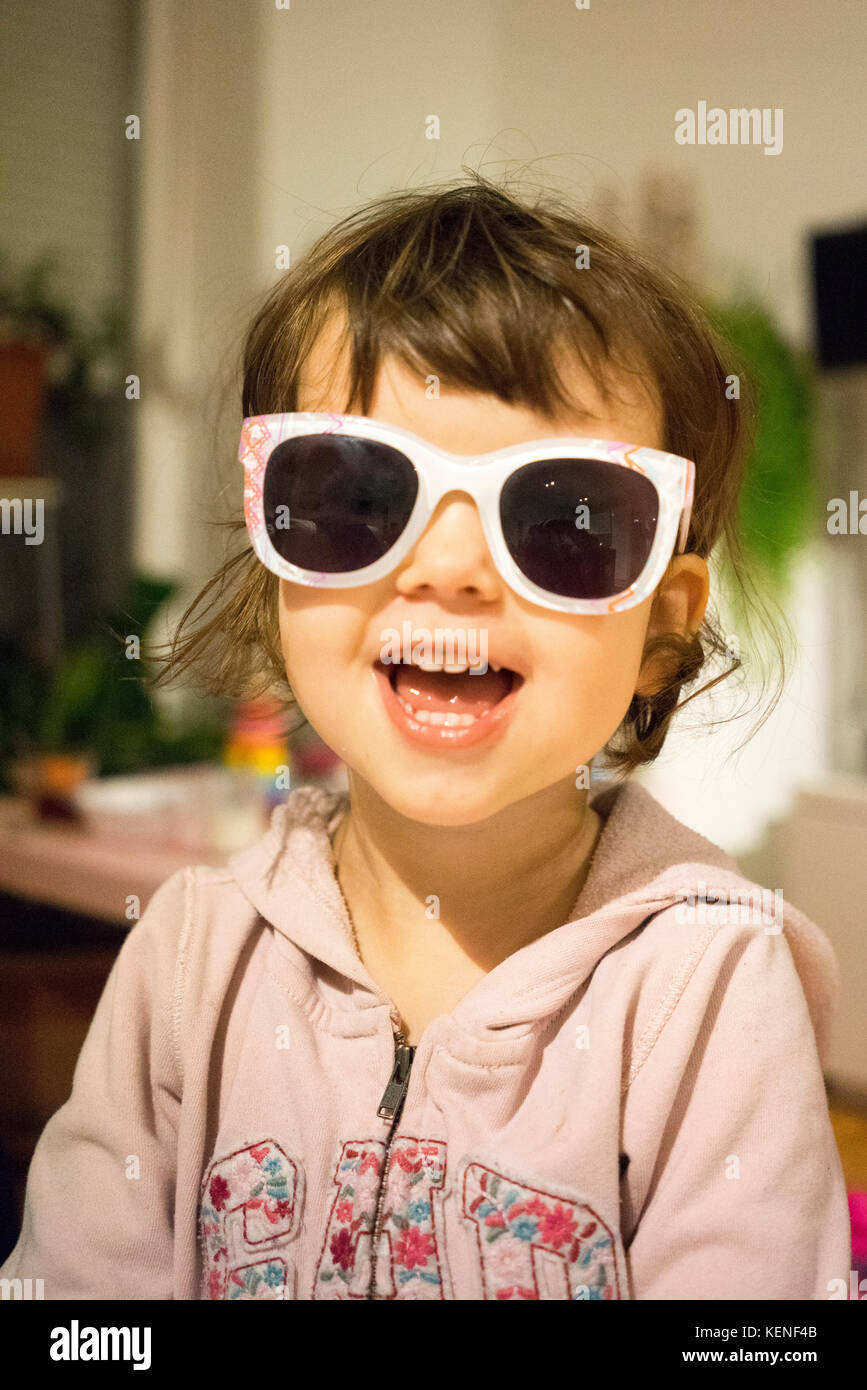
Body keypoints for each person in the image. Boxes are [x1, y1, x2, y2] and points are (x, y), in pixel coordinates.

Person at [0, 175, 850, 1300]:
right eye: (357, 497)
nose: (449, 568)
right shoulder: (190, 960)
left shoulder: (710, 990)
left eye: (563, 520)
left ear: (661, 628)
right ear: (276, 577)